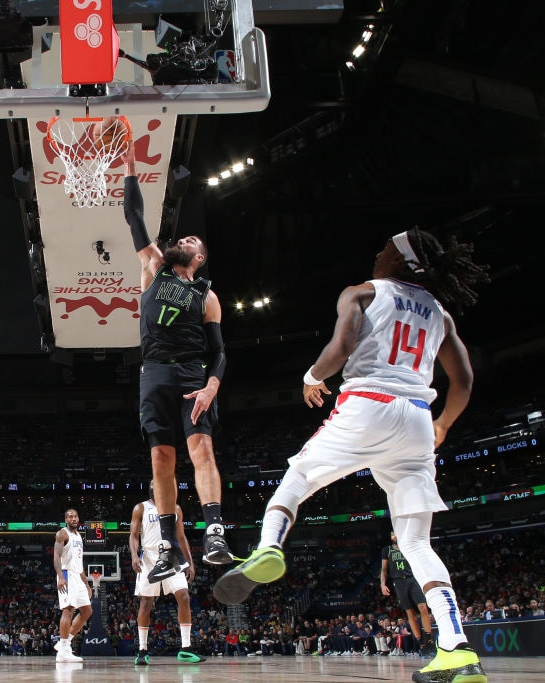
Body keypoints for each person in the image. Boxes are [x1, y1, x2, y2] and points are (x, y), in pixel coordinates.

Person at [213, 228, 490, 683]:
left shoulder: (363, 291)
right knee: (417, 544)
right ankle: (457, 650)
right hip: (418, 418)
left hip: (369, 404)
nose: (378, 253)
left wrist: (311, 376)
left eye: (385, 248)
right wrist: (443, 424)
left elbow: (340, 348)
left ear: (398, 260)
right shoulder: (440, 313)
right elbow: (464, 380)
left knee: (297, 479)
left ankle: (269, 547)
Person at [121, 138, 233, 583]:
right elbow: (133, 215)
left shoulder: (207, 295)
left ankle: (216, 533)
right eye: (181, 238)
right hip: (153, 372)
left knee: (200, 447)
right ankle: (168, 547)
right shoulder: (154, 267)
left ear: (199, 257)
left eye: (190, 240)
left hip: (192, 375)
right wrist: (130, 164)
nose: (181, 240)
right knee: (160, 459)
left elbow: (219, 351)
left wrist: (211, 386)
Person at [129, 483, 204, 664]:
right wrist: (134, 555)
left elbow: (181, 537)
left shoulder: (175, 508)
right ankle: (142, 650)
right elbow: (134, 535)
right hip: (149, 557)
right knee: (146, 602)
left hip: (172, 556)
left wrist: (190, 563)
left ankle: (186, 648)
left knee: (184, 596)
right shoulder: (141, 508)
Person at [381, 530, 435, 655]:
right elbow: (384, 570)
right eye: (392, 534)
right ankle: (421, 643)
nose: (394, 536)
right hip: (399, 581)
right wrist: (382, 584)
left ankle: (429, 640)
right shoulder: (387, 550)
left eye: (396, 533)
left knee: (423, 608)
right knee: (410, 612)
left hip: (413, 579)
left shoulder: (409, 547)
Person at [52, 508, 91, 663]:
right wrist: (61, 577)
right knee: (68, 610)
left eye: (75, 516)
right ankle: (63, 651)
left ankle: (64, 643)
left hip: (77, 576)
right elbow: (56, 557)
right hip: (66, 574)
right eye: (70, 516)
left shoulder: (79, 535)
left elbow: (79, 563)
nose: (73, 518)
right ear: (66, 520)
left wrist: (86, 583)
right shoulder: (62, 534)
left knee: (87, 611)